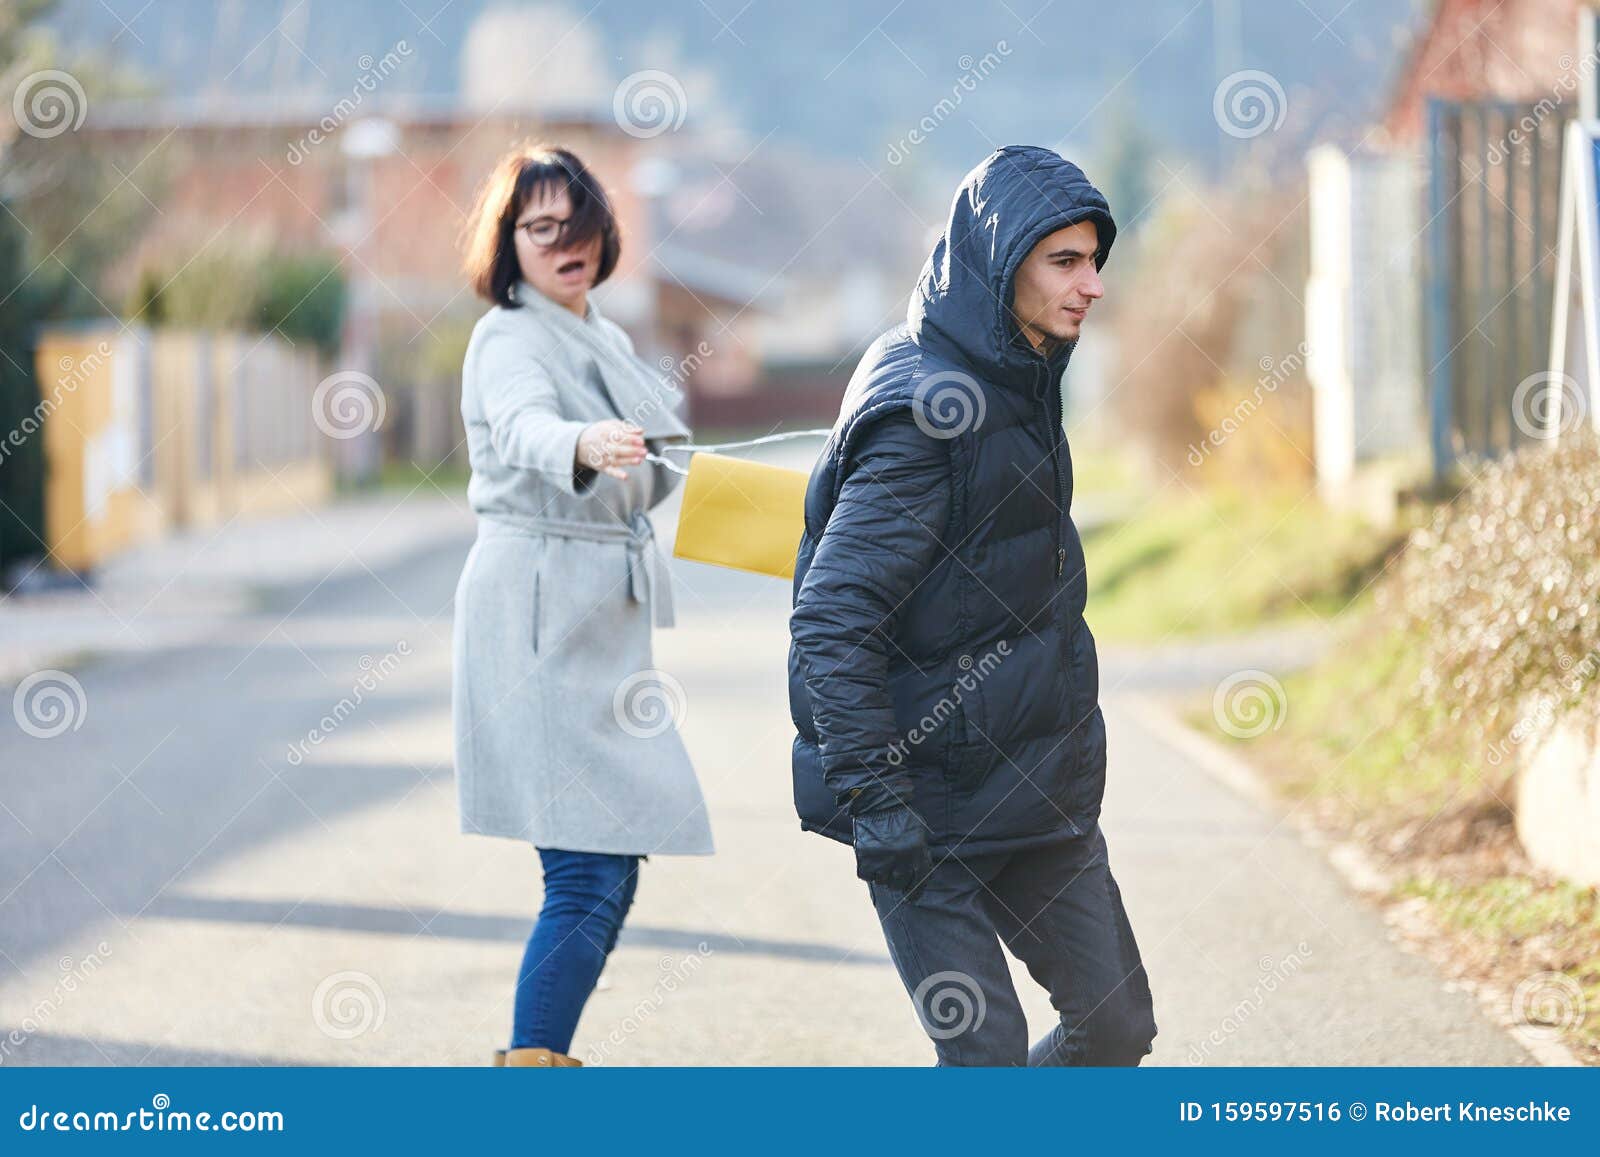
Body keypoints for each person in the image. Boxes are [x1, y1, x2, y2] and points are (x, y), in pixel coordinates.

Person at [787, 145, 1157, 1066]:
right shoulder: (929, 410)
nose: (1090, 286)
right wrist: (877, 801)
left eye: (1093, 261)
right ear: (1001, 264)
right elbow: (833, 616)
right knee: (985, 1052)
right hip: (922, 806)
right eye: (1063, 262)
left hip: (1034, 789)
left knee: (1114, 1025)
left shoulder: (1021, 371)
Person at [454, 144, 713, 1068]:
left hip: (594, 609)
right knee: (588, 866)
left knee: (606, 860)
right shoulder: (508, 338)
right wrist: (584, 441)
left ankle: (537, 1060)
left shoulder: (602, 334)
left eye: (581, 223)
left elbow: (665, 460)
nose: (566, 242)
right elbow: (524, 425)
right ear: (510, 242)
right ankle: (532, 1070)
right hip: (537, 612)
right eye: (540, 227)